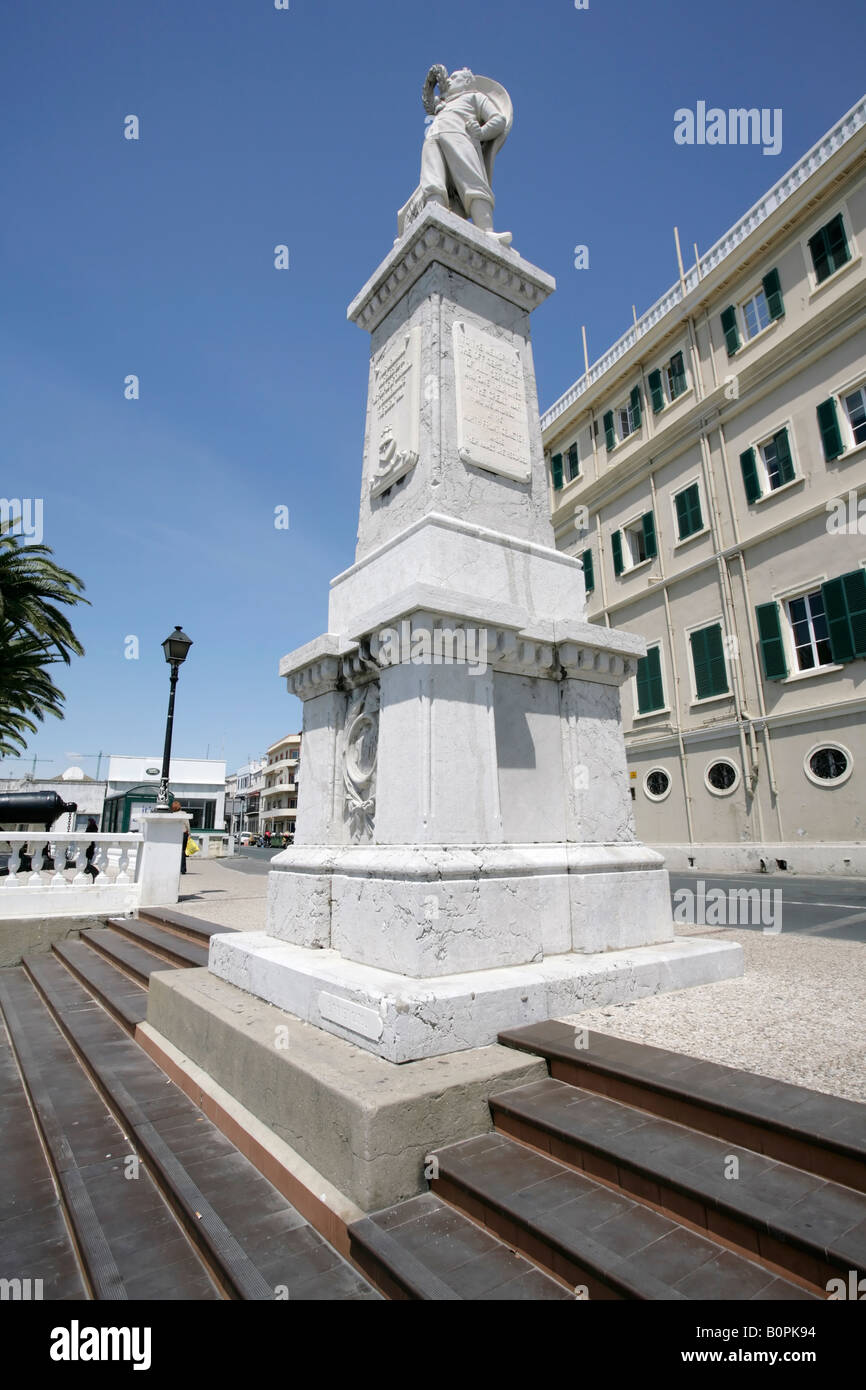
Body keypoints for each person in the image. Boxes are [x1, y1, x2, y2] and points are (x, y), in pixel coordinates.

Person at [419, 66, 511, 245]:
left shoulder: (474, 97)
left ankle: (486, 230)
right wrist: (430, 85)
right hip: (433, 137)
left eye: (455, 77)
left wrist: (482, 132)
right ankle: (434, 220)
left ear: (467, 82)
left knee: (472, 181)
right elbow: (428, 100)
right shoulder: (443, 105)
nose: (450, 80)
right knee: (433, 182)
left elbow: (498, 119)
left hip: (459, 136)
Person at [170, 800, 190, 875]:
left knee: (174, 851)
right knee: (183, 851)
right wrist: (189, 834)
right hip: (184, 834)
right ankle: (183, 869)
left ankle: (174, 867)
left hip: (175, 834)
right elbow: (187, 824)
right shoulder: (184, 814)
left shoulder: (172, 815)